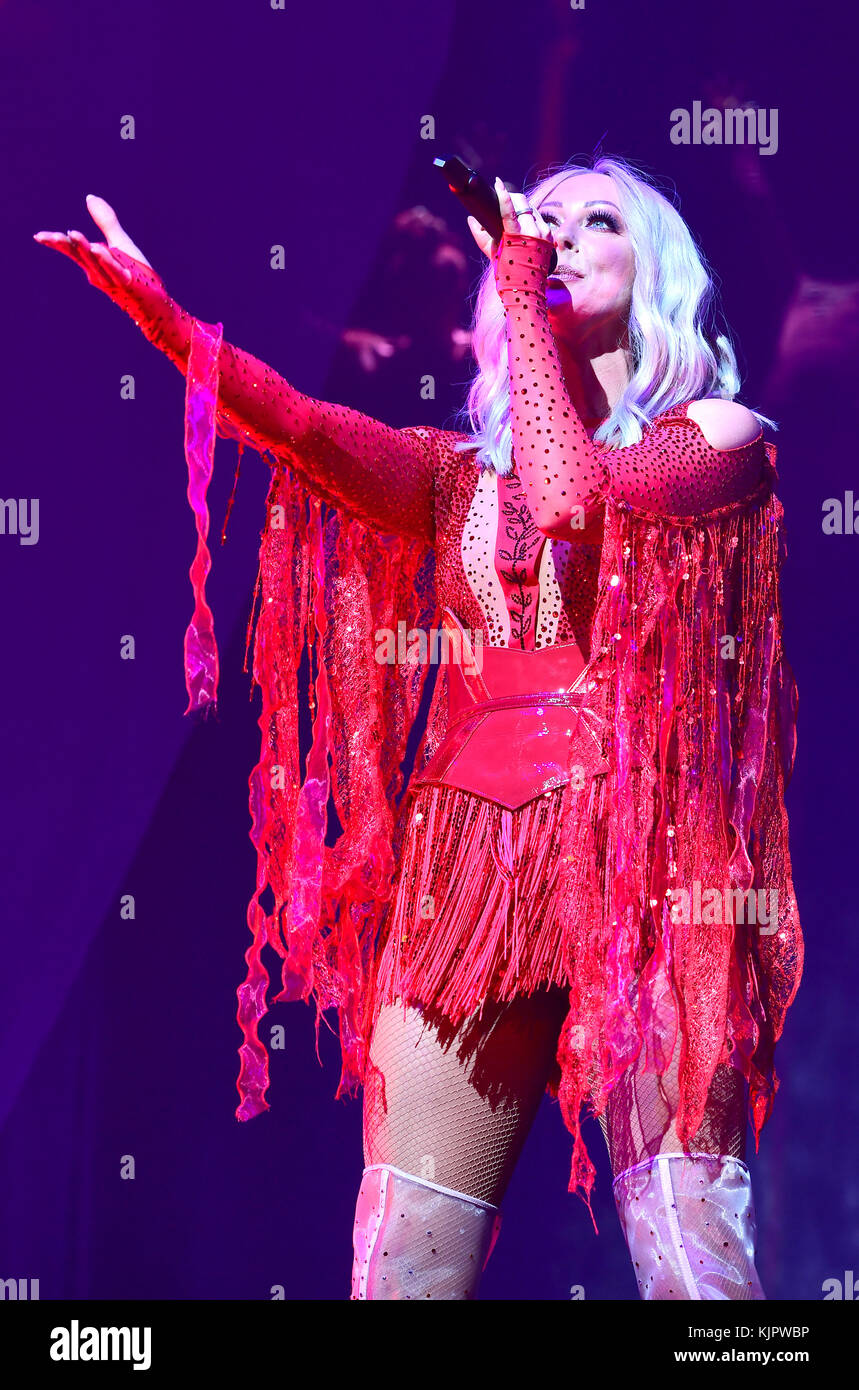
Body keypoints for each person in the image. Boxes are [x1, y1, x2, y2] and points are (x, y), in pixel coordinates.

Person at [34, 154, 802, 1301]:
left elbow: (571, 501)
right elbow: (296, 422)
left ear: (660, 277)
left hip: (648, 875)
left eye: (596, 223)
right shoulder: (452, 477)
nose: (555, 237)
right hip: (470, 880)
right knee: (400, 1269)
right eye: (538, 224)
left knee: (697, 1272)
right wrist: (161, 315)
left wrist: (518, 277)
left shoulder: (719, 438)